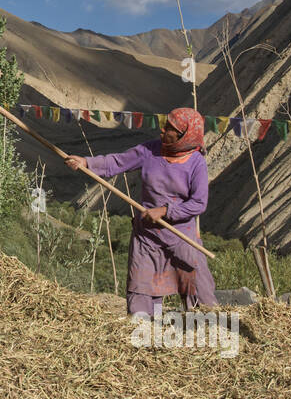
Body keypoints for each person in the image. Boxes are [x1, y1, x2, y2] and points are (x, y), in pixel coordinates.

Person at [65, 107, 216, 317]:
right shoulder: (150, 151)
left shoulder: (196, 162)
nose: (162, 131)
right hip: (147, 238)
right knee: (141, 290)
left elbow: (198, 203)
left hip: (182, 236)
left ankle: (205, 332)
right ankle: (144, 334)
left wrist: (165, 211)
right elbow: (116, 162)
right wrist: (86, 163)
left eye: (169, 129)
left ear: (184, 136)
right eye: (164, 126)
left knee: (198, 291)